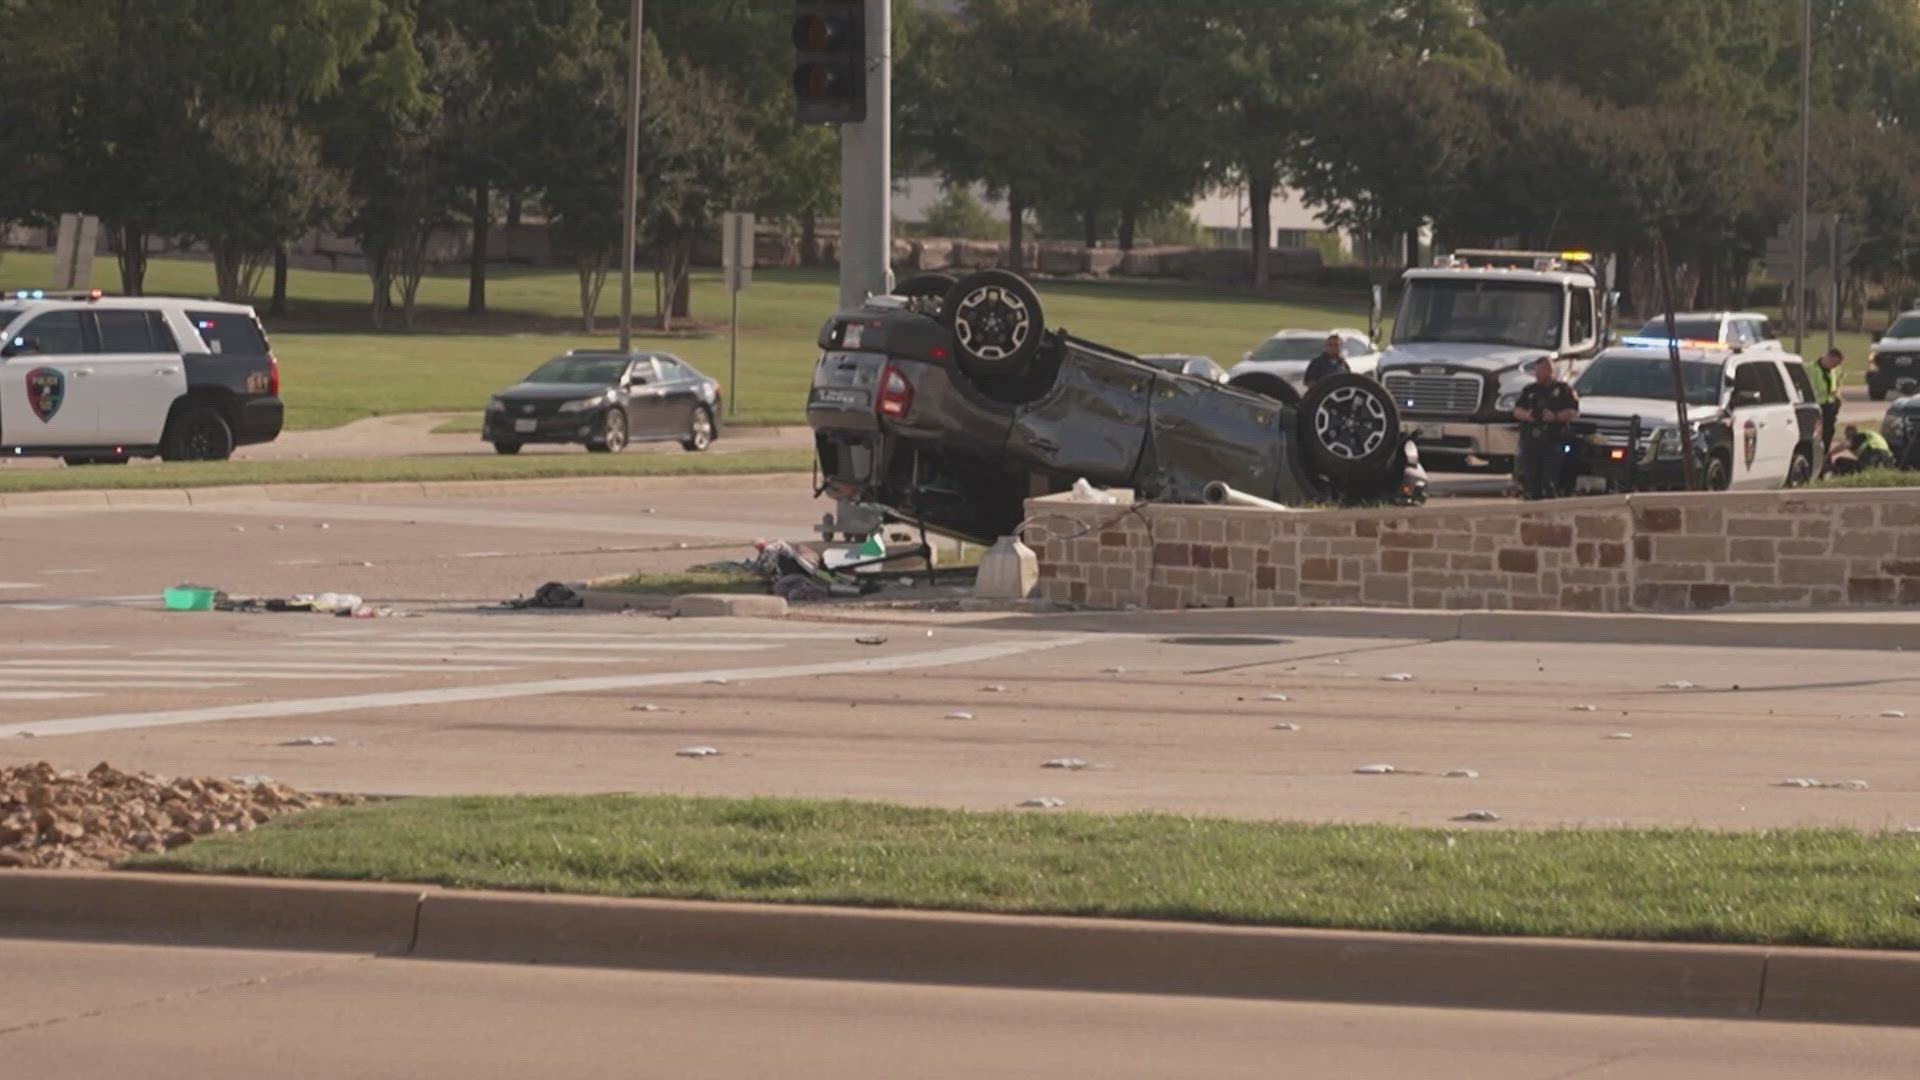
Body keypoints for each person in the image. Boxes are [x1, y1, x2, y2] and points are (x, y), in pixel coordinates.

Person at [1512, 356, 1580, 499]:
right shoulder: (1530, 390)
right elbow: (1517, 410)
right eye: (1536, 371)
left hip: (1553, 441)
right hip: (1531, 442)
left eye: (1541, 371)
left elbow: (1573, 412)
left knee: (1549, 480)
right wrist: (1528, 415)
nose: (1537, 374)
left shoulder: (1563, 390)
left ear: (1550, 371)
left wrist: (1555, 416)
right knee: (1531, 480)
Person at [1811, 349, 1843, 477]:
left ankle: (1825, 460)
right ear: (1828, 357)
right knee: (1818, 436)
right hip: (1817, 406)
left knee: (1828, 435)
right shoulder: (1812, 369)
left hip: (1830, 407)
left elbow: (1838, 384)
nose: (1835, 367)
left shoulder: (1835, 370)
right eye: (1834, 363)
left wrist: (1838, 396)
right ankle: (1817, 462)